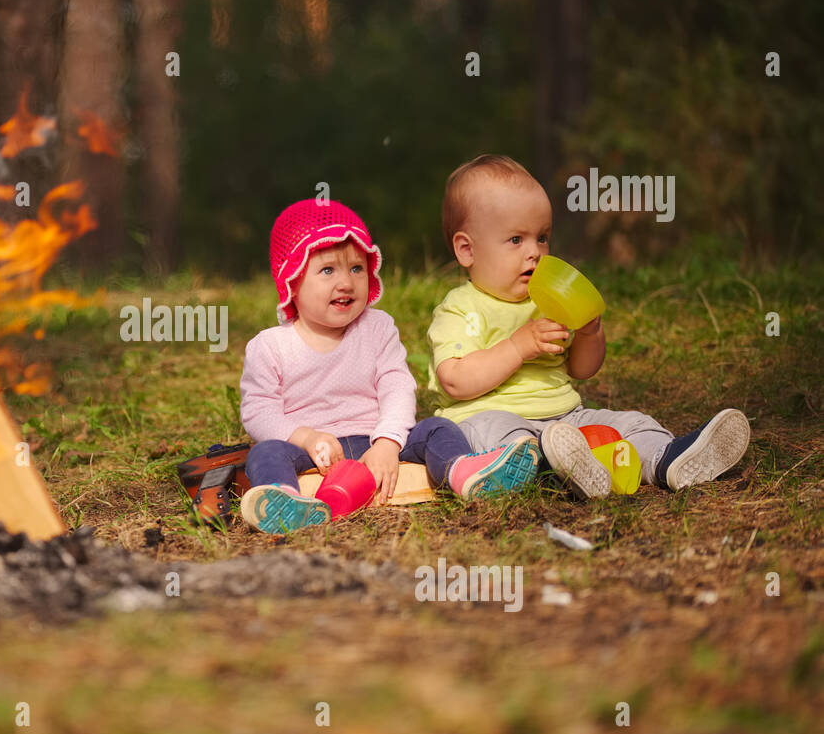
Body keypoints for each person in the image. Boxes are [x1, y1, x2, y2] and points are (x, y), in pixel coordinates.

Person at [426, 154, 750, 497]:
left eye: (542, 237)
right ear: (467, 250)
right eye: (516, 240)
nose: (535, 252)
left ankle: (667, 458)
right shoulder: (460, 309)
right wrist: (518, 347)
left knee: (627, 423)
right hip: (491, 417)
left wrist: (589, 331)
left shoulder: (547, 301)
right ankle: (549, 468)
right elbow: (455, 380)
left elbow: (582, 369)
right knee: (503, 435)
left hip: (564, 419)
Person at [237, 198, 540, 535]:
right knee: (265, 452)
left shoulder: (378, 328)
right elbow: (259, 411)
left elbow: (397, 387)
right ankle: (285, 499)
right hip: (310, 452)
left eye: (356, 268)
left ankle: (466, 473)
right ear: (291, 282)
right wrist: (305, 437)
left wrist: (387, 443)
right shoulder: (270, 346)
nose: (346, 282)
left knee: (437, 429)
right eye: (327, 270)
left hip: (374, 437)